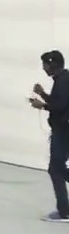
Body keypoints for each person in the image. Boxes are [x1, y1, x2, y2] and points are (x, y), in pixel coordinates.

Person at [30, 50, 69, 222]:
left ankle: (64, 212)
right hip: (62, 130)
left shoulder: (64, 81)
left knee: (55, 169)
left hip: (63, 131)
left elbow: (60, 106)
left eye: (45, 64)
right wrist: (43, 94)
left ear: (52, 64)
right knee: (57, 168)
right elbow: (59, 101)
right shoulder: (62, 80)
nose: (43, 68)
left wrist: (43, 105)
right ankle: (64, 210)